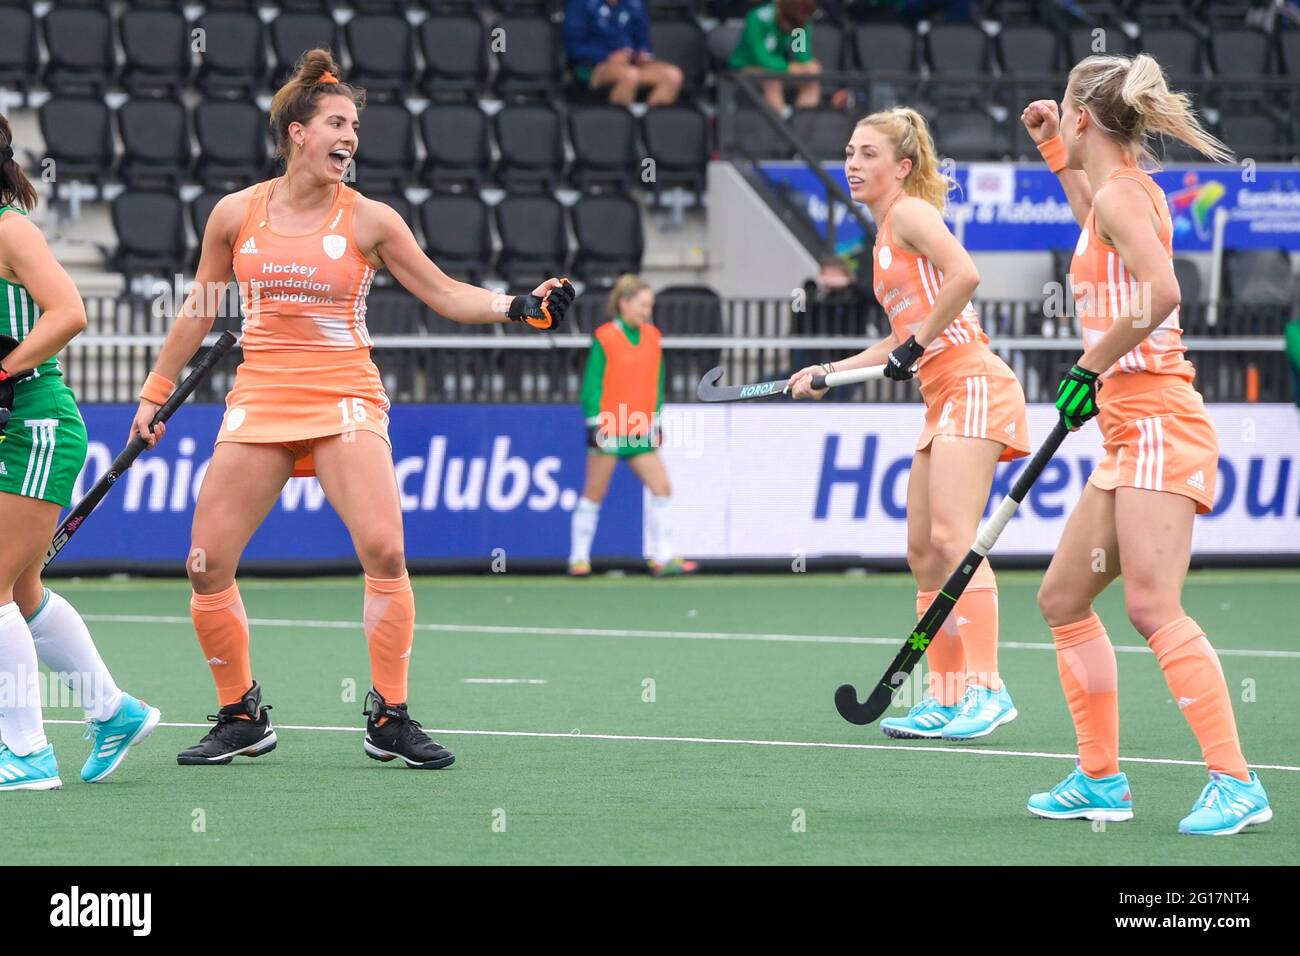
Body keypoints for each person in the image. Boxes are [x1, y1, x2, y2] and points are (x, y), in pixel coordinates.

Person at [131, 50, 575, 770]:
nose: (350, 139)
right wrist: (155, 395)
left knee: (385, 550)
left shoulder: (371, 219)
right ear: (297, 132)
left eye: (355, 128)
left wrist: (517, 305)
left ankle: (389, 717)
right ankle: (242, 713)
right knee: (206, 564)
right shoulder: (234, 213)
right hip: (262, 395)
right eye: (337, 124)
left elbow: (442, 292)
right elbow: (201, 307)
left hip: (344, 395)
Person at [1021, 54, 1272, 835]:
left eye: (1064, 112)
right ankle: (1100, 780)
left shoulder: (1126, 196)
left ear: (1084, 117)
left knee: (1150, 605)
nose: (1058, 120)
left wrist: (1086, 366)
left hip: (1159, 419)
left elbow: (1163, 293)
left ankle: (1237, 783)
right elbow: (1101, 246)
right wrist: (1052, 158)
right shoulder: (1114, 194)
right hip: (1127, 429)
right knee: (1063, 598)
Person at [789, 107, 1030, 741]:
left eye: (868, 153)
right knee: (925, 555)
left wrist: (918, 342)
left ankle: (988, 690)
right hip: (940, 397)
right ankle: (946, 698)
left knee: (955, 539)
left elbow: (966, 276)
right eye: (848, 151)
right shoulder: (880, 240)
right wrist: (829, 372)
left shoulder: (912, 215)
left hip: (974, 384)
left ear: (902, 166)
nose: (852, 163)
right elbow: (897, 341)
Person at [0, 115, 160, 792]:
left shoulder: (9, 228)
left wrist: (4, 374)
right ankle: (112, 712)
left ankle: (26, 754)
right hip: (13, 421)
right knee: (22, 588)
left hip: (33, 423)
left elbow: (69, 311)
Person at [569, 275, 696, 578]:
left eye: (649, 306)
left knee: (662, 488)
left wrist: (657, 420)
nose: (646, 312)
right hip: (609, 426)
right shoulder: (605, 336)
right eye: (641, 305)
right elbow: (592, 384)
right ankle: (578, 558)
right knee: (594, 492)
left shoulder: (653, 336)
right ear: (623, 303)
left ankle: (663, 557)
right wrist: (593, 423)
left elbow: (657, 383)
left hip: (639, 426)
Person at [563, 0, 683, 107]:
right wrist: (607, 56)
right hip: (593, 67)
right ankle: (619, 128)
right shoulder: (579, 3)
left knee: (672, 75)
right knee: (629, 76)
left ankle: (648, 127)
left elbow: (643, 41)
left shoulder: (635, 3)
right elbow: (573, 47)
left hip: (631, 64)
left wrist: (642, 54)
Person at [728, 0, 825, 114]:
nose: (792, 30)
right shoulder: (757, 18)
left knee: (812, 75)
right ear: (781, 15)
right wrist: (790, 68)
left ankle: (801, 123)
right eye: (791, 25)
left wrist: (808, 65)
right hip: (746, 67)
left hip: (779, 67)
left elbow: (801, 53)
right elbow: (762, 58)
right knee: (771, 79)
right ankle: (782, 124)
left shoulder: (799, 21)